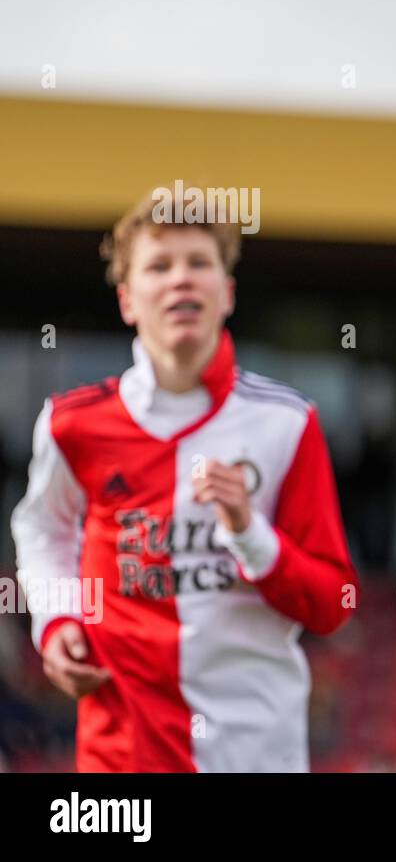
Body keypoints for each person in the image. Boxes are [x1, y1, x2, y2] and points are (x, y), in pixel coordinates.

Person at [11, 185, 358, 771]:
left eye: (199, 263)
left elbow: (332, 604)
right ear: (127, 300)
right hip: (121, 754)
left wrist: (250, 532)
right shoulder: (73, 424)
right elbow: (42, 532)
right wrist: (57, 621)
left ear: (227, 293)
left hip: (254, 751)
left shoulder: (286, 423)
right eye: (159, 265)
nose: (180, 280)